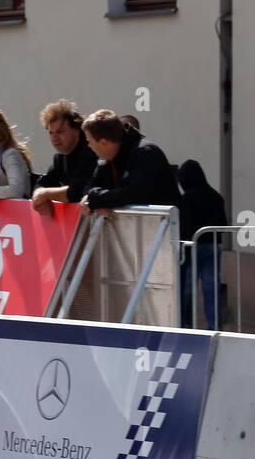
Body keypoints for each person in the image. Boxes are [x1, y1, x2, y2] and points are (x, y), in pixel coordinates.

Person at [80, 109, 181, 213]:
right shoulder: (106, 159)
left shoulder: (145, 153)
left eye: (89, 141)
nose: (88, 146)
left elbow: (135, 194)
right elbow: (89, 188)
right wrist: (97, 200)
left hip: (165, 226)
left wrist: (99, 200)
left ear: (103, 143)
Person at [177, 159, 228, 329]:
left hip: (193, 247)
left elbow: (184, 226)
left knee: (188, 290)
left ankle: (187, 326)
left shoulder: (187, 198)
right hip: (214, 246)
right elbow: (223, 224)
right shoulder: (216, 196)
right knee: (211, 288)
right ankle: (214, 326)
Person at [31, 99, 98, 214]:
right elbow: (43, 182)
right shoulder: (60, 158)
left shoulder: (91, 152)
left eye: (60, 132)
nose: (54, 139)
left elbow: (76, 192)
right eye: (51, 133)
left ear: (76, 131)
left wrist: (45, 194)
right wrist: (39, 194)